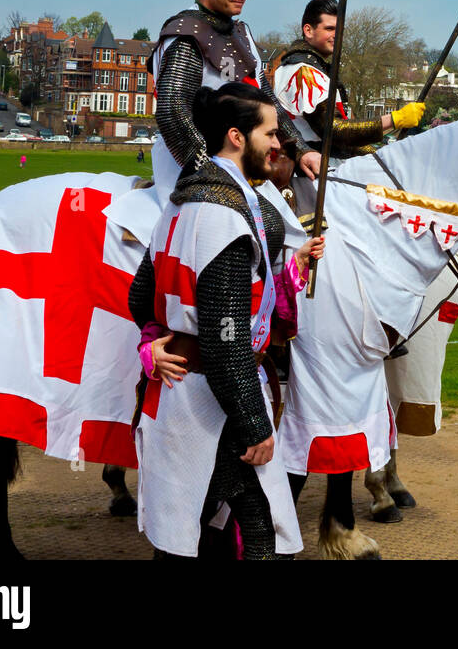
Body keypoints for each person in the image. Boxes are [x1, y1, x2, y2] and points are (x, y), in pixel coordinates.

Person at [127, 82, 319, 560]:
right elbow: (223, 338)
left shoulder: (179, 204)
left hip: (177, 397)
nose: (279, 145)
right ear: (237, 136)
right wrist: (254, 422)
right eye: (271, 134)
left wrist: (153, 342)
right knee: (260, 535)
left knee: (188, 534)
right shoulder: (223, 218)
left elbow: (140, 296)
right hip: (212, 404)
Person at [148, 0, 320, 208]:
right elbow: (173, 112)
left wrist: (300, 149)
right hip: (189, 169)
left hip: (244, 167)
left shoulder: (241, 34)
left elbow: (267, 101)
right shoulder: (185, 35)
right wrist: (210, 173)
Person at [269, 0, 425, 176]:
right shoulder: (305, 72)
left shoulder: (306, 66)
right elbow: (334, 131)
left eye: (340, 30)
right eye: (329, 29)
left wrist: (381, 154)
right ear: (308, 30)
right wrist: (394, 119)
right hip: (311, 169)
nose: (337, 35)